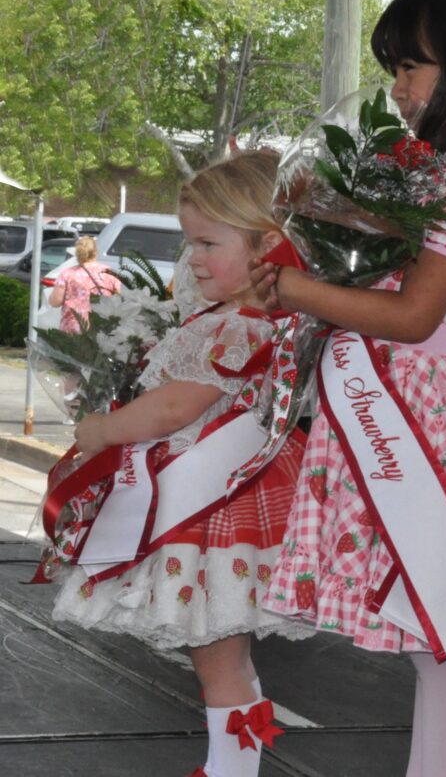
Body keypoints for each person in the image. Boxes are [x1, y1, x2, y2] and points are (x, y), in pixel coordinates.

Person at [252, 0, 446, 777]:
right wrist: (324, 210)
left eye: (410, 65)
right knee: (433, 637)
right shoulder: (442, 173)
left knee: (444, 632)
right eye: (393, 67)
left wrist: (298, 288)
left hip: (421, 423)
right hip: (397, 407)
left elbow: (417, 315)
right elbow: (398, 263)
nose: (396, 86)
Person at [48, 153, 310, 777]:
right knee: (222, 660)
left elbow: (173, 408)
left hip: (211, 510)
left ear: (266, 245)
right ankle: (231, 764)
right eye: (191, 241)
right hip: (213, 501)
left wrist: (100, 430)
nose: (193, 257)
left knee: (219, 658)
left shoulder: (240, 326)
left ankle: (230, 768)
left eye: (207, 242)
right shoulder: (231, 318)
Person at [49, 235, 121, 333]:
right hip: (102, 328)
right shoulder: (109, 273)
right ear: (95, 252)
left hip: (72, 328)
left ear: (77, 253)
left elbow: (55, 302)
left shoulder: (67, 274)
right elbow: (118, 300)